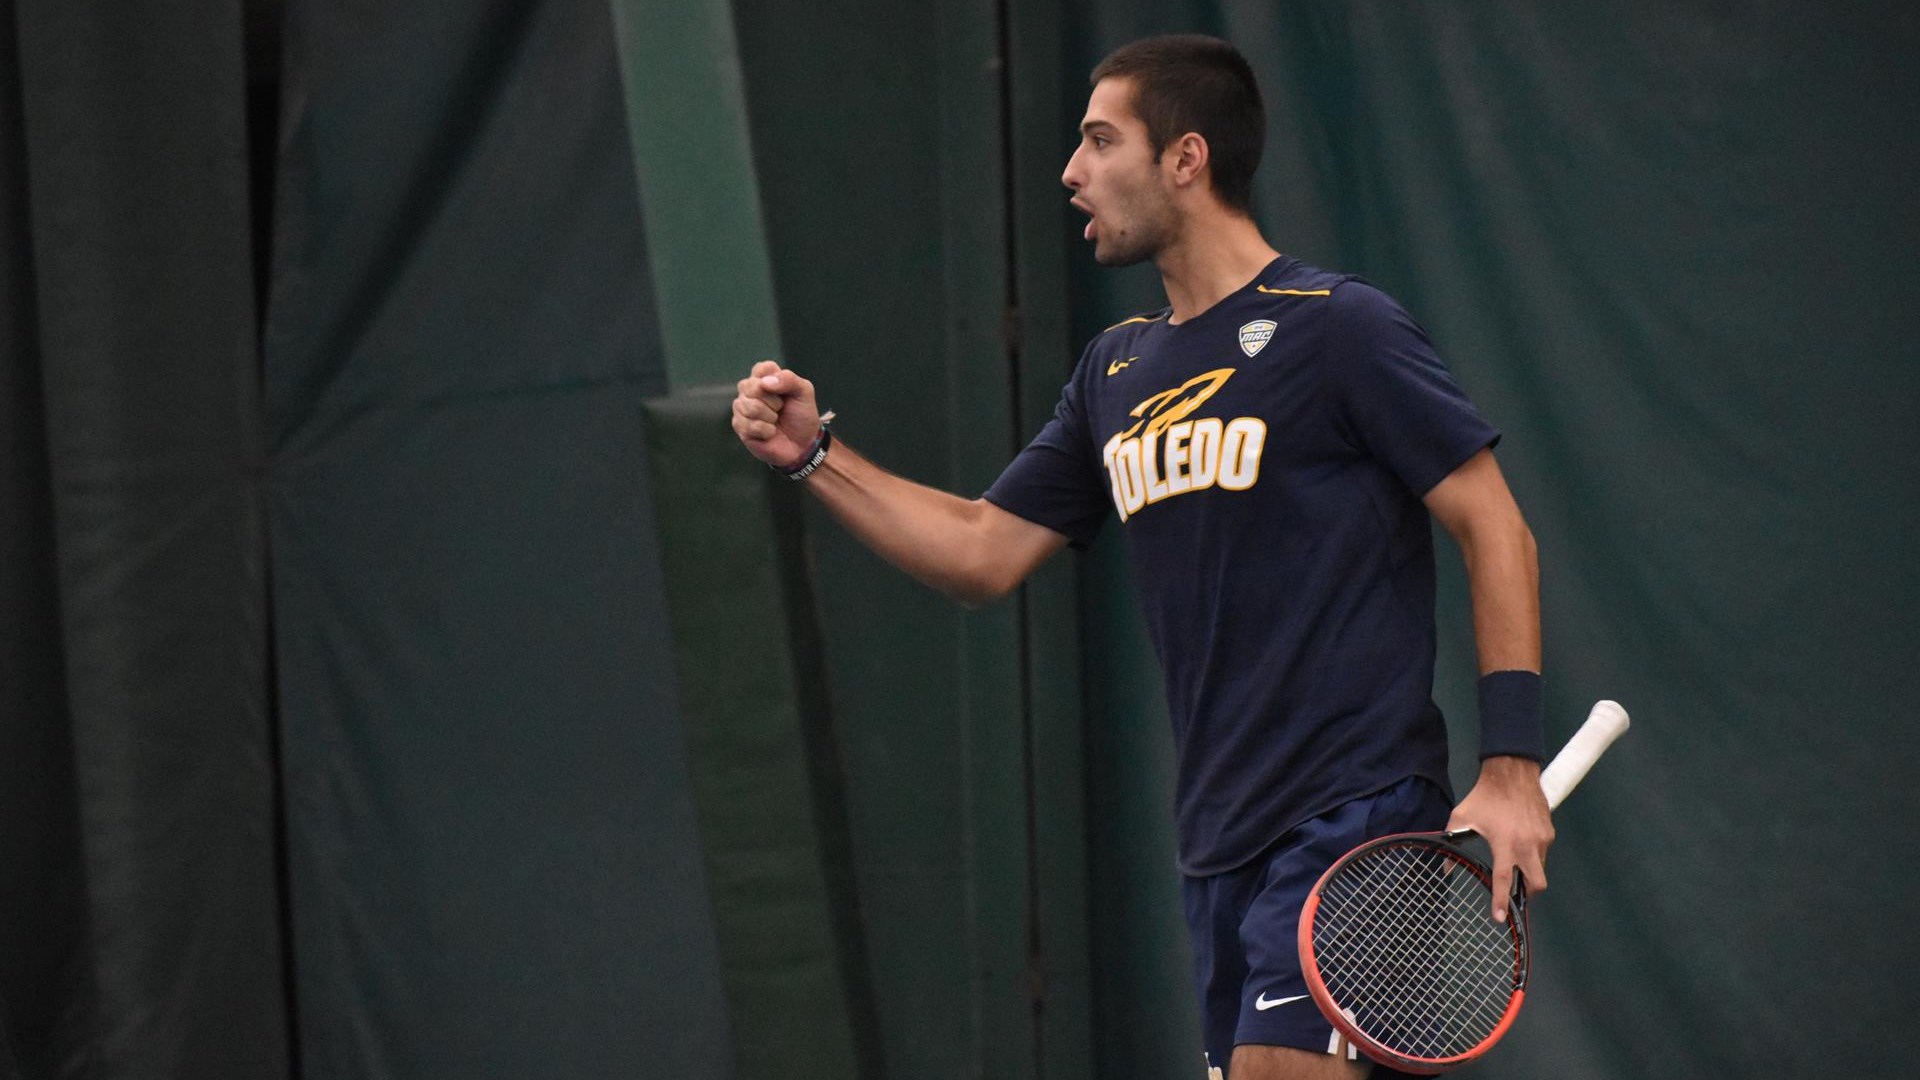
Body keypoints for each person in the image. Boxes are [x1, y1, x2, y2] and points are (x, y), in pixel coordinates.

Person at [730, 34, 1553, 1080]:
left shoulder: (1338, 329)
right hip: (1217, 847)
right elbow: (982, 551)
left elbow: (1497, 527)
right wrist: (815, 456)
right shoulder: (1115, 371)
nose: (1072, 171)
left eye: (1099, 139)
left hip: (1354, 816)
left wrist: (1512, 765)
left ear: (1186, 159)